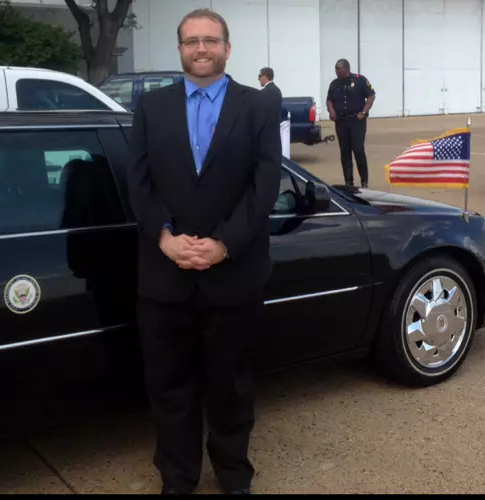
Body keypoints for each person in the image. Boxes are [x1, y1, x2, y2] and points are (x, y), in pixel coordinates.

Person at [127, 7, 282, 495]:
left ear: (227, 48)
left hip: (232, 274)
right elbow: (139, 181)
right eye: (191, 41)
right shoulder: (151, 107)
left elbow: (265, 183)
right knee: (170, 389)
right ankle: (178, 479)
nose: (201, 49)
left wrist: (223, 245)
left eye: (210, 40)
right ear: (179, 49)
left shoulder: (257, 106)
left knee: (231, 386)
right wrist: (165, 238)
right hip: (163, 275)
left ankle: (234, 476)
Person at [326, 58, 376, 188]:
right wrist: (331, 111)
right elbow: (329, 100)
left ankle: (364, 181)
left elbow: (371, 95)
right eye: (335, 68)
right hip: (341, 121)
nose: (336, 71)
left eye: (338, 68)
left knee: (358, 149)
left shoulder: (360, 80)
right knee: (345, 152)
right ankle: (349, 182)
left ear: (346, 69)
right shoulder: (334, 84)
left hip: (356, 121)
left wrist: (364, 112)